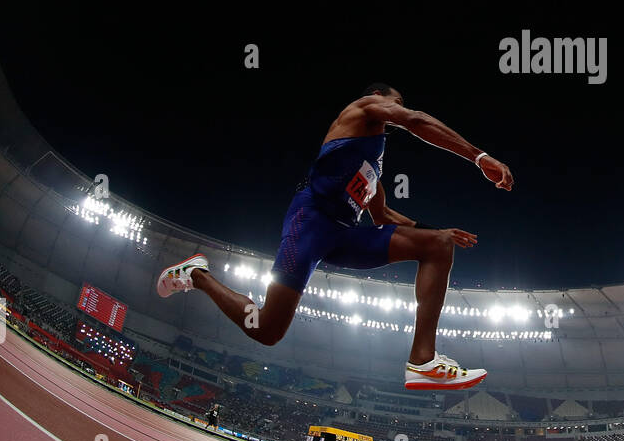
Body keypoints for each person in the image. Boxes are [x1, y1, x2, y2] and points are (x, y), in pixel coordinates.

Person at [154, 84, 513, 390]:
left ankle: (422, 360)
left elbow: (382, 215)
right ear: (377, 96)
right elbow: (416, 120)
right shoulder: (361, 109)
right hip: (310, 221)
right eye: (396, 102)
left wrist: (435, 230)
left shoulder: (373, 163)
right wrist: (478, 156)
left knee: (438, 246)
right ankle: (197, 275)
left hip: (342, 236)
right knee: (266, 329)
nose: (398, 110)